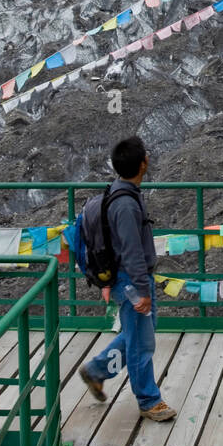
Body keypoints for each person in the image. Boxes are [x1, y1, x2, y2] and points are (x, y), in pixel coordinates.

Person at [78, 136, 176, 422]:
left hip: (129, 278)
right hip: (132, 282)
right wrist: (143, 291)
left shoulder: (121, 192)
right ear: (142, 164)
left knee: (140, 332)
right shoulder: (127, 205)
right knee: (141, 343)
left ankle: (96, 370)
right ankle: (149, 400)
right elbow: (132, 251)